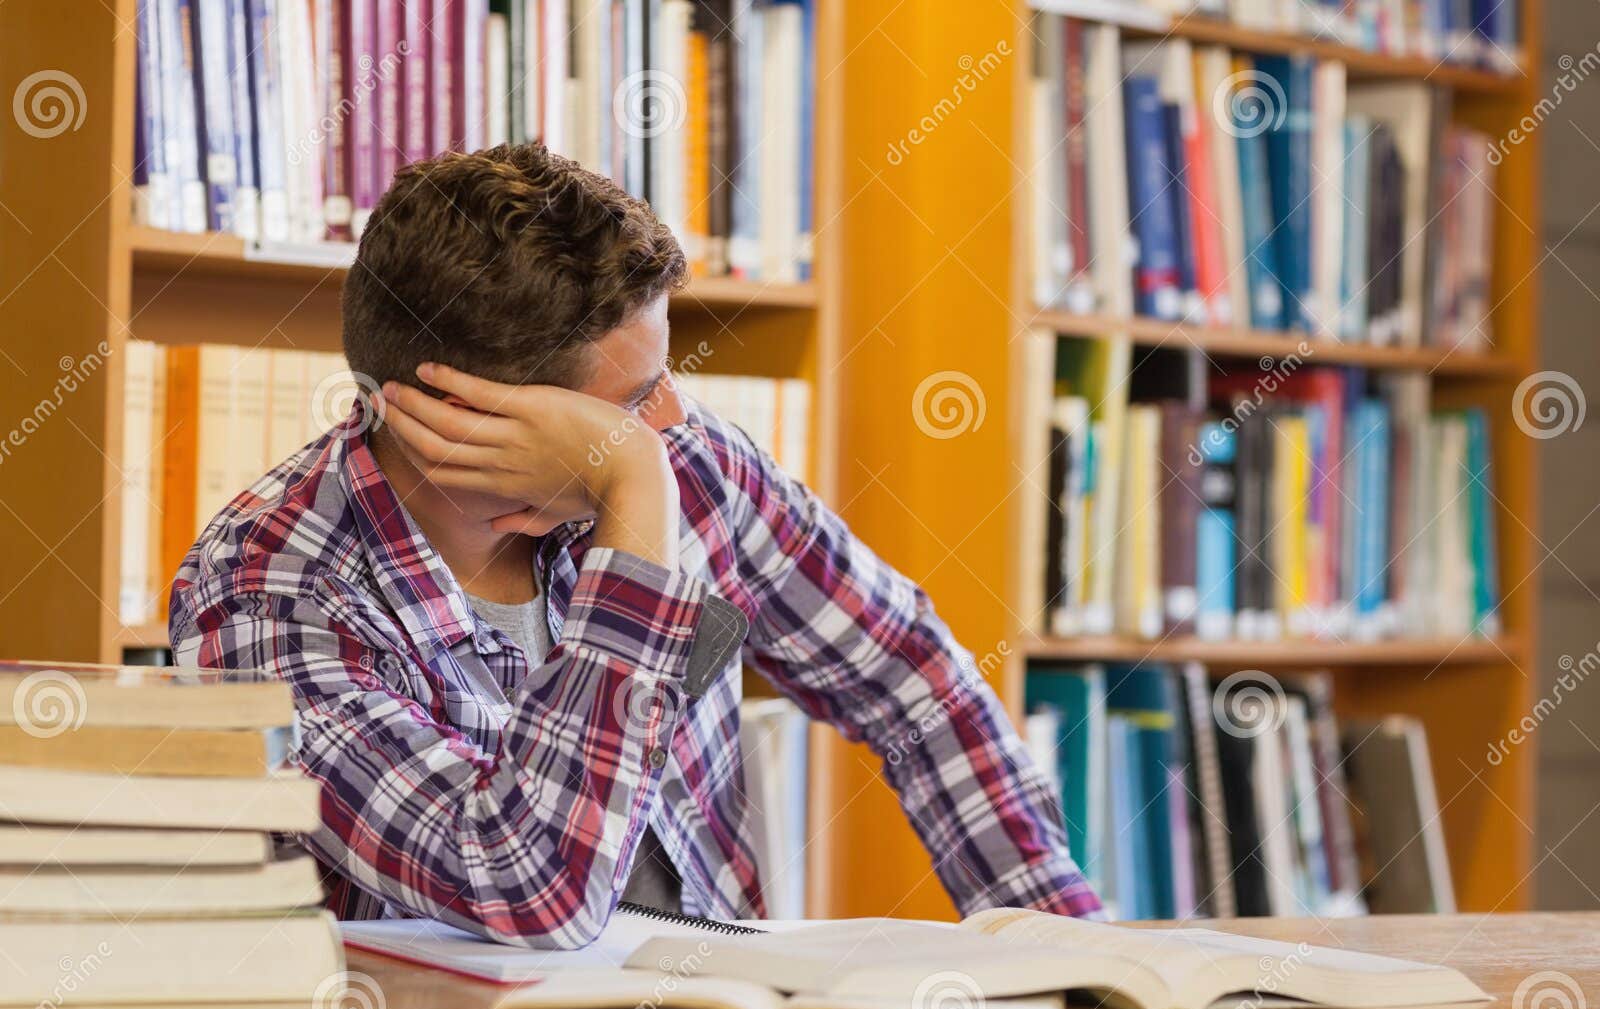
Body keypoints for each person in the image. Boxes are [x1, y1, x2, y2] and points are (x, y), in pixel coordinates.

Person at [170, 142, 1102, 947]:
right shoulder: (266, 596)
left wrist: (1062, 944)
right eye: (627, 405)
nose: (669, 418)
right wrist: (633, 504)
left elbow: (911, 675)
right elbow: (531, 888)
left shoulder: (683, 457)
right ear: (462, 416)